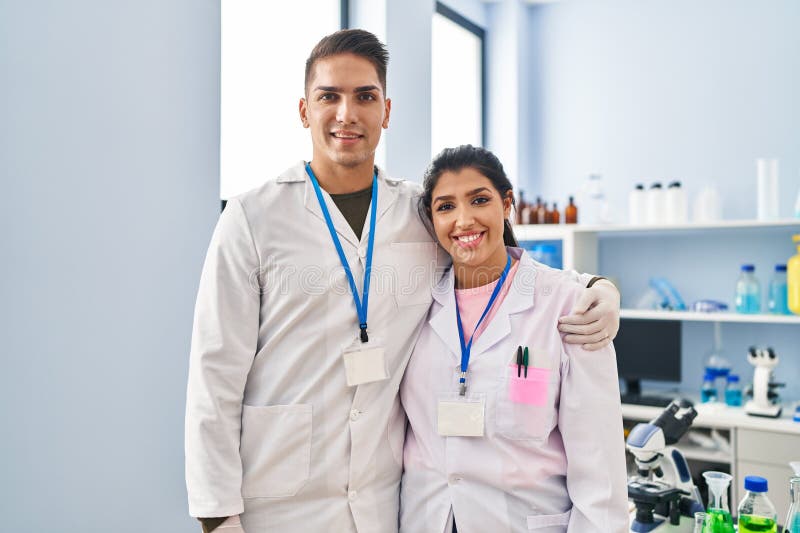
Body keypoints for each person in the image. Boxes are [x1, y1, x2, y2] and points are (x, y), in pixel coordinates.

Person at [185, 29, 621, 533]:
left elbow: (500, 258)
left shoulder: (418, 211)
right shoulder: (251, 218)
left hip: (382, 504)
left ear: (386, 112)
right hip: (277, 502)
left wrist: (601, 287)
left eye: (365, 97)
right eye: (329, 96)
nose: (347, 113)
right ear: (304, 110)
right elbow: (213, 378)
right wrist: (218, 518)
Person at [399, 145, 629, 533]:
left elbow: (600, 469)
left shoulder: (568, 305)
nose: (463, 219)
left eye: (479, 200)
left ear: (507, 204)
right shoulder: (412, 303)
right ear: (432, 219)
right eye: (445, 207)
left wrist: (604, 287)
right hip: (428, 518)